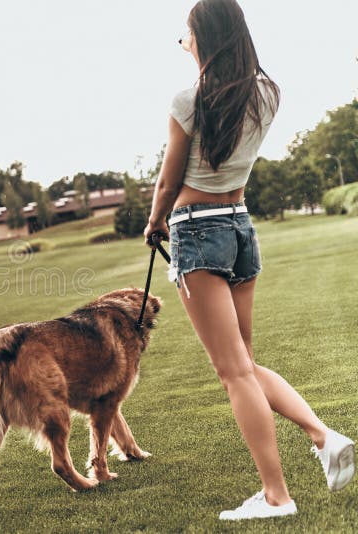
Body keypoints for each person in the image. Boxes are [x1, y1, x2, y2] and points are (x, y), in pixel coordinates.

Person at [144, 0, 354, 521]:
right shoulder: (268, 92)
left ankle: (277, 497)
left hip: (197, 232)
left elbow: (170, 181)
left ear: (206, 37)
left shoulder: (188, 99)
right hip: (240, 227)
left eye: (187, 34)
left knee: (234, 371)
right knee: (246, 364)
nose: (183, 42)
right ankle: (323, 438)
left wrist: (153, 223)